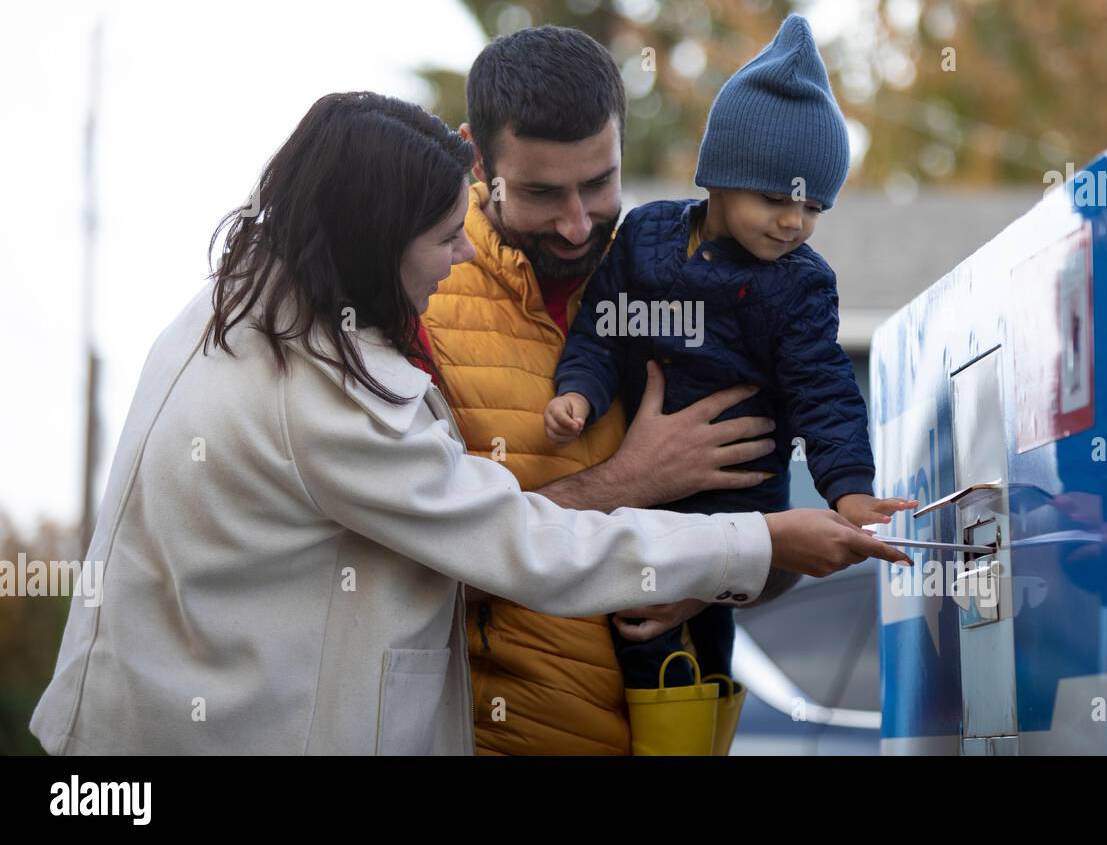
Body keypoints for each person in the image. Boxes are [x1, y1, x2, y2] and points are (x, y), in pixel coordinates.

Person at [28, 91, 910, 756]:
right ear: (376, 239)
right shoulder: (315, 395)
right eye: (447, 235)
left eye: (599, 182)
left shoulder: (246, 307)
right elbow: (516, 542)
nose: (462, 255)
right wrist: (753, 540)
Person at [421, 26, 880, 755]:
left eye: (599, 183)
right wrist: (632, 479)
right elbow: (408, 581)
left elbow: (769, 550)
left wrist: (711, 574)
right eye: (543, 192)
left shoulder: (686, 281)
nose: (578, 225)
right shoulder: (424, 313)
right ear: (478, 157)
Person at [545, 15, 918, 717]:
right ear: (718, 178)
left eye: (813, 206)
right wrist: (579, 392)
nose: (793, 223)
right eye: (775, 199)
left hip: (737, 498)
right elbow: (601, 325)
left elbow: (825, 390)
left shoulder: (800, 284)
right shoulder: (646, 235)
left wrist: (847, 488)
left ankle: (690, 726)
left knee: (693, 650)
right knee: (626, 634)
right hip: (637, 490)